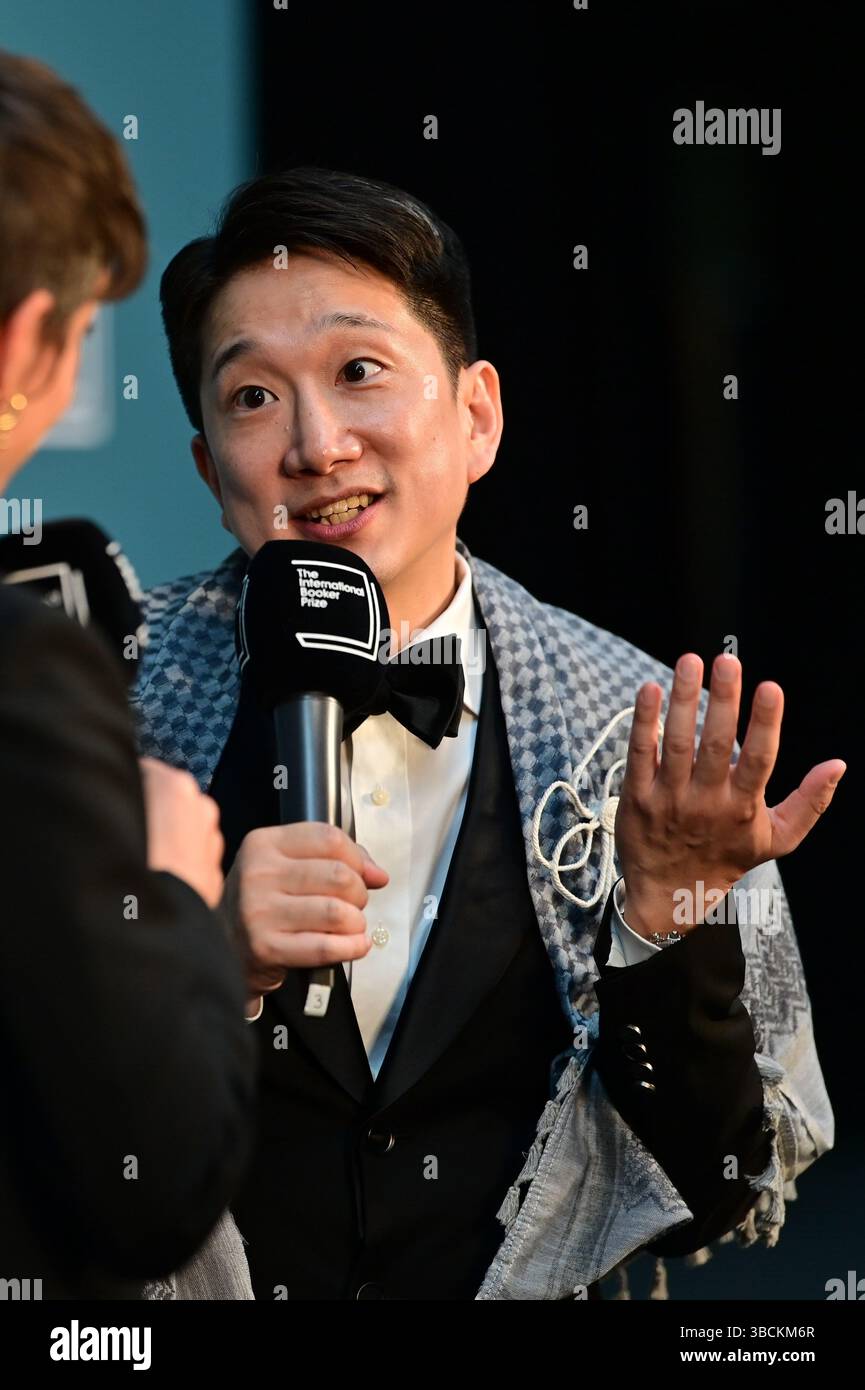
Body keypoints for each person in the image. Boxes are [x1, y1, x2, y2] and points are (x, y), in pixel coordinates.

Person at [134, 166, 841, 1300]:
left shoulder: (637, 726)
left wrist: (665, 929)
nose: (316, 445)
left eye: (358, 371)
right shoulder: (94, 697)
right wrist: (193, 965)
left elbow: (717, 1186)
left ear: (476, 418)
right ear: (212, 470)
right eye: (254, 397)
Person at [0, 50, 255, 1300]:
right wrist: (168, 888)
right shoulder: (36, 672)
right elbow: (151, 1175)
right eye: (254, 395)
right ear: (35, 339)